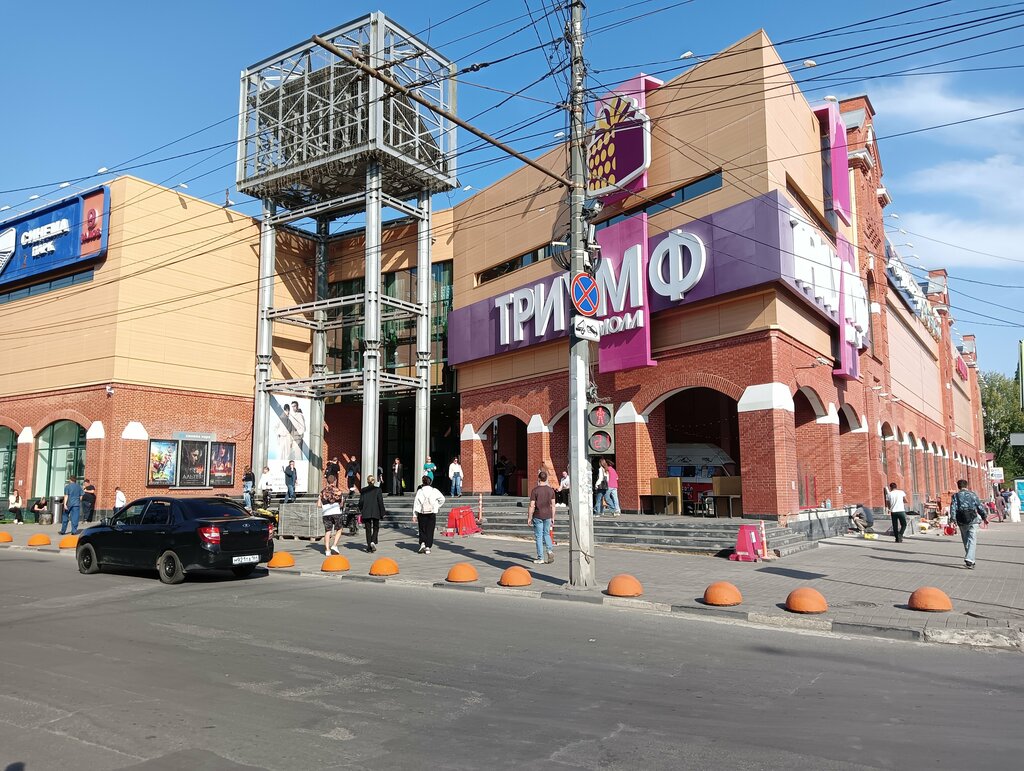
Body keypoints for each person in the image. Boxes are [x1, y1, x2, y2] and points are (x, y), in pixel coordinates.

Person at [950, 478, 988, 569]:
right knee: (972, 539)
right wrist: (984, 517)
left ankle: (970, 559)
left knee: (966, 540)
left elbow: (953, 508)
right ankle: (970, 559)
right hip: (973, 519)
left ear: (958, 486)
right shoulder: (973, 495)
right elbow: (979, 507)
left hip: (962, 520)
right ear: (966, 486)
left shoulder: (955, 496)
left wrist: (952, 520)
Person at [527, 469, 556, 564]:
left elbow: (532, 505)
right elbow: (553, 505)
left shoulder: (535, 490)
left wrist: (529, 517)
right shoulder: (551, 490)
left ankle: (541, 557)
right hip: (548, 515)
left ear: (539, 479)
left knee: (539, 536)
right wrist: (553, 517)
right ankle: (549, 550)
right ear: (546, 478)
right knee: (546, 534)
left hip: (538, 515)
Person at [412, 474, 445, 555]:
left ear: (423, 482)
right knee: (430, 530)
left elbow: (416, 503)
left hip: (421, 512)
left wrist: (414, 515)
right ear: (430, 482)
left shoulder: (420, 491)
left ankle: (422, 543)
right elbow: (442, 499)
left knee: (422, 529)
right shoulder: (434, 490)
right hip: (431, 512)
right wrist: (436, 506)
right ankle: (428, 547)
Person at [319, 473, 345, 556]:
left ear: (327, 481)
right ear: (335, 481)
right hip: (336, 512)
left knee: (327, 531)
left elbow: (319, 505)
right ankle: (334, 545)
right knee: (339, 529)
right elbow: (341, 504)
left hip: (326, 513)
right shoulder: (338, 491)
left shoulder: (322, 492)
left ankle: (327, 550)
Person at [359, 474, 385, 553]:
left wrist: (361, 509)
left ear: (367, 481)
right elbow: (380, 501)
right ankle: (373, 541)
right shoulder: (378, 490)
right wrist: (382, 512)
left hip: (366, 511)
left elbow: (361, 501)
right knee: (376, 527)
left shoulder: (363, 490)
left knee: (368, 529)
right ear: (374, 481)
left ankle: (368, 545)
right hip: (375, 511)